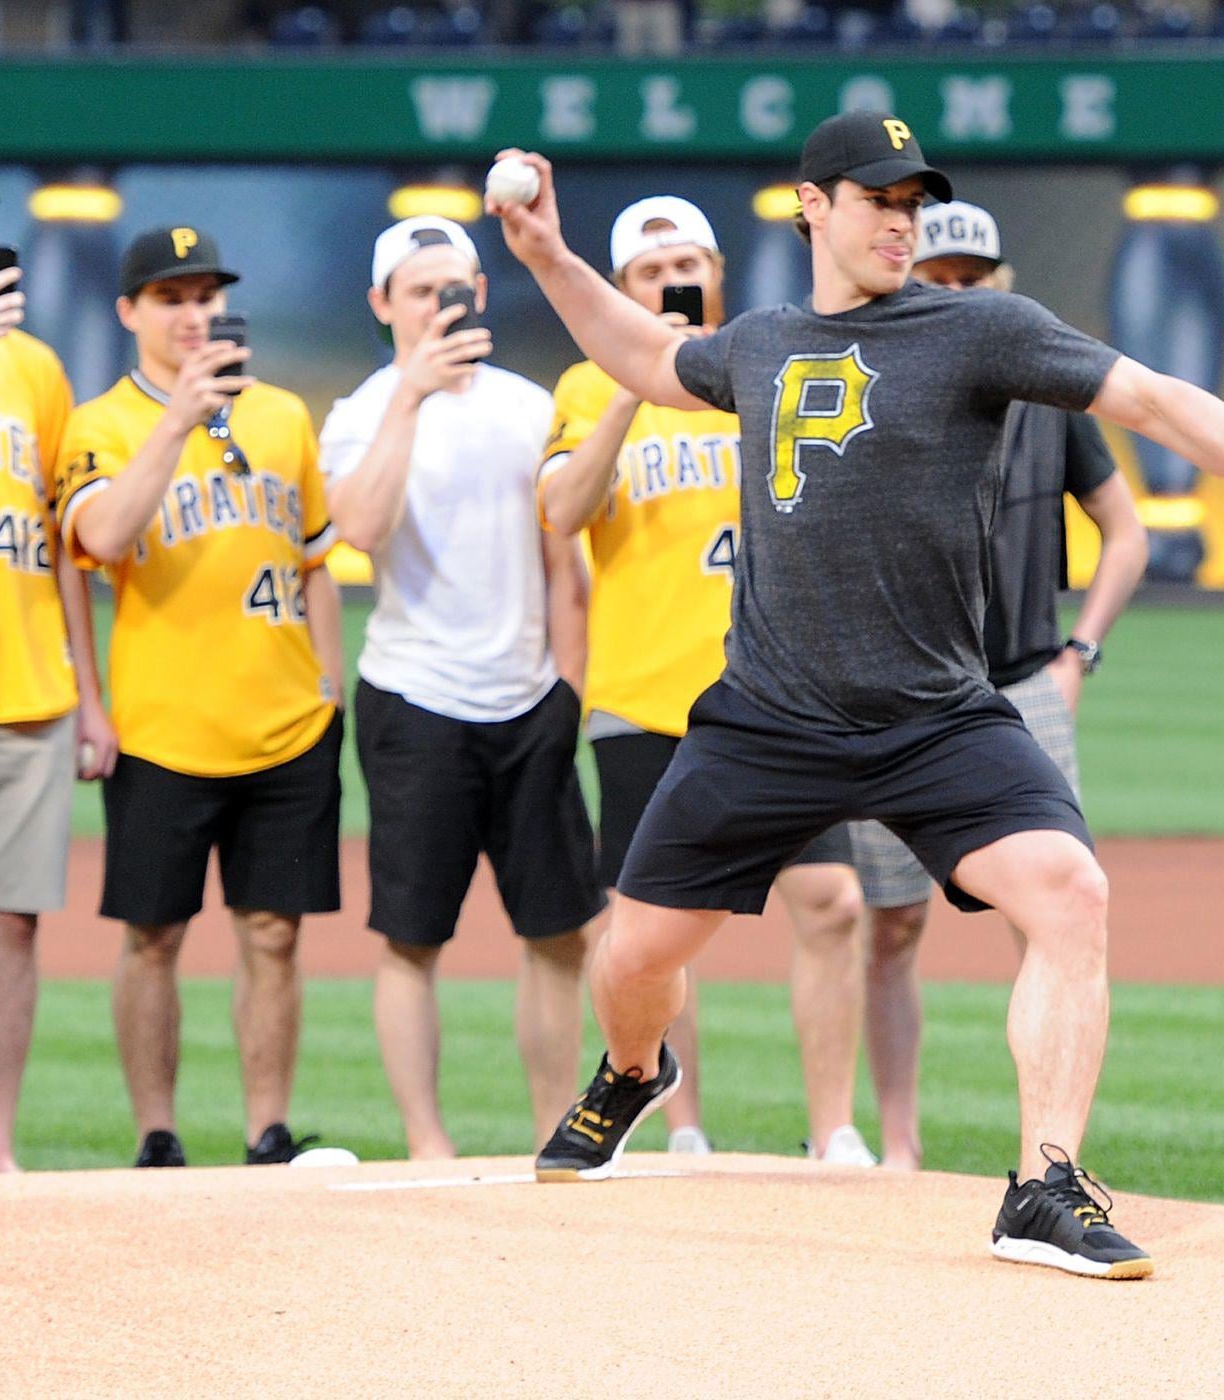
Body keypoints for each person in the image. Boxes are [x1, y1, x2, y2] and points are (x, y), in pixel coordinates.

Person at [489, 112, 1224, 1280]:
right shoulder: (760, 342)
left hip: (934, 713)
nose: (900, 220)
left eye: (911, 202)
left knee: (1070, 891)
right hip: (769, 717)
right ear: (810, 207)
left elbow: (1150, 398)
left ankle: (1043, 1183)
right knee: (630, 956)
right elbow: (632, 351)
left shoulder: (980, 329)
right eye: (877, 199)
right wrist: (540, 252)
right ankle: (633, 1072)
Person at [540, 194, 872, 1164]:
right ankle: (680, 1124)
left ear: (718, 272)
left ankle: (833, 1126)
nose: (669, 283)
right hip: (645, 692)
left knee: (831, 901)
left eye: (685, 265)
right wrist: (627, 382)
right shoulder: (579, 382)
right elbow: (562, 510)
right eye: (647, 273)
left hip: (782, 688)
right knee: (648, 929)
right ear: (616, 289)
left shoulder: (769, 363)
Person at [852, 199, 1149, 1172]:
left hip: (1021, 684)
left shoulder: (1045, 397)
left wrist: (1082, 653)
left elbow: (1125, 529)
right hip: (897, 691)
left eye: (969, 277)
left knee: (1053, 912)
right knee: (891, 920)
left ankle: (1045, 1152)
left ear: (1001, 283)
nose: (953, 291)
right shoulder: (868, 381)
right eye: (935, 277)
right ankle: (896, 1141)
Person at [54, 226, 344, 1168]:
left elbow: (315, 561)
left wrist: (329, 683)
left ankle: (266, 1130)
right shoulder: (101, 424)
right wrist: (176, 420)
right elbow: (100, 536)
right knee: (153, 937)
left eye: (205, 296)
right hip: (161, 727)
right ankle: (156, 1136)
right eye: (171, 298)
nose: (193, 314)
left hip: (285, 723)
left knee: (274, 932)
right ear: (129, 312)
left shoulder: (282, 416)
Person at [319, 216, 604, 1159]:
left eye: (457, 286)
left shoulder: (528, 407)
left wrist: (568, 688)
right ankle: (427, 1141)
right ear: (382, 306)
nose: (440, 303)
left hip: (528, 701)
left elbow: (566, 564)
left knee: (560, 934)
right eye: (417, 289)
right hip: (414, 698)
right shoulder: (363, 411)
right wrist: (411, 394)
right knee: (411, 938)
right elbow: (357, 528)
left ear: (480, 295)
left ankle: (553, 1132)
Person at [0, 151, 116, 1173]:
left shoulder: (36, 369)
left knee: (10, 932)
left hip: (28, 696)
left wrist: (88, 695)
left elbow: (61, 548)